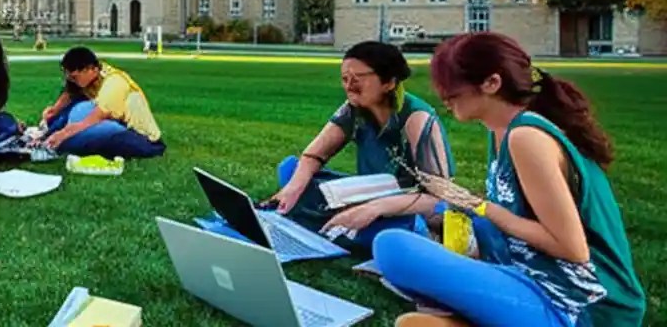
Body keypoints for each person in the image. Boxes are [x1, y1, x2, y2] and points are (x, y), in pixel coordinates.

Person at [374, 32, 645, 327]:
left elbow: (572, 249)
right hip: (529, 273)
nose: (444, 99)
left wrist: (478, 205)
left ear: (492, 83)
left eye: (451, 90)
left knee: (393, 247)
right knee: (412, 235)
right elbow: (511, 216)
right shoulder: (500, 131)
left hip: (578, 303)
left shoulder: (526, 137)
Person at [264, 41, 455, 252]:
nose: (349, 85)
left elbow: (439, 198)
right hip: (366, 194)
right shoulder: (352, 110)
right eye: (345, 79)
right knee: (292, 171)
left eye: (358, 78)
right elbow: (314, 155)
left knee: (387, 237)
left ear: (389, 82)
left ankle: (340, 225)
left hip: (405, 207)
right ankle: (338, 224)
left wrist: (373, 209)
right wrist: (292, 189)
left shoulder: (416, 118)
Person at [39, 46, 166, 159]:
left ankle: (53, 144)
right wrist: (54, 111)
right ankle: (45, 136)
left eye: (74, 77)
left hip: (140, 137)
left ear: (90, 69)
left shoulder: (114, 83)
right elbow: (71, 92)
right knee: (69, 112)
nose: (72, 81)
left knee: (76, 141)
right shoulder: (94, 73)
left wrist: (63, 134)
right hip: (112, 122)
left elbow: (95, 117)